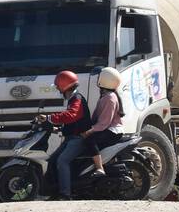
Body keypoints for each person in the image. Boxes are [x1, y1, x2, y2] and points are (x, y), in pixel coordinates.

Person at [43, 69, 92, 199]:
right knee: (52, 160)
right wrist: (57, 129)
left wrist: (49, 118)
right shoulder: (72, 99)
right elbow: (72, 122)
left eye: (59, 87)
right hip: (70, 138)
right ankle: (54, 190)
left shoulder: (77, 99)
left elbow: (71, 116)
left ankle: (65, 194)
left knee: (62, 161)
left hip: (78, 139)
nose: (59, 90)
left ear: (65, 86)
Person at [82, 67, 126, 175]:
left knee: (89, 140)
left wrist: (89, 131)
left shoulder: (109, 98)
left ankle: (99, 168)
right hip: (109, 128)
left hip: (112, 131)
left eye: (99, 77)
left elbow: (104, 123)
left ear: (105, 80)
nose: (97, 79)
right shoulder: (106, 95)